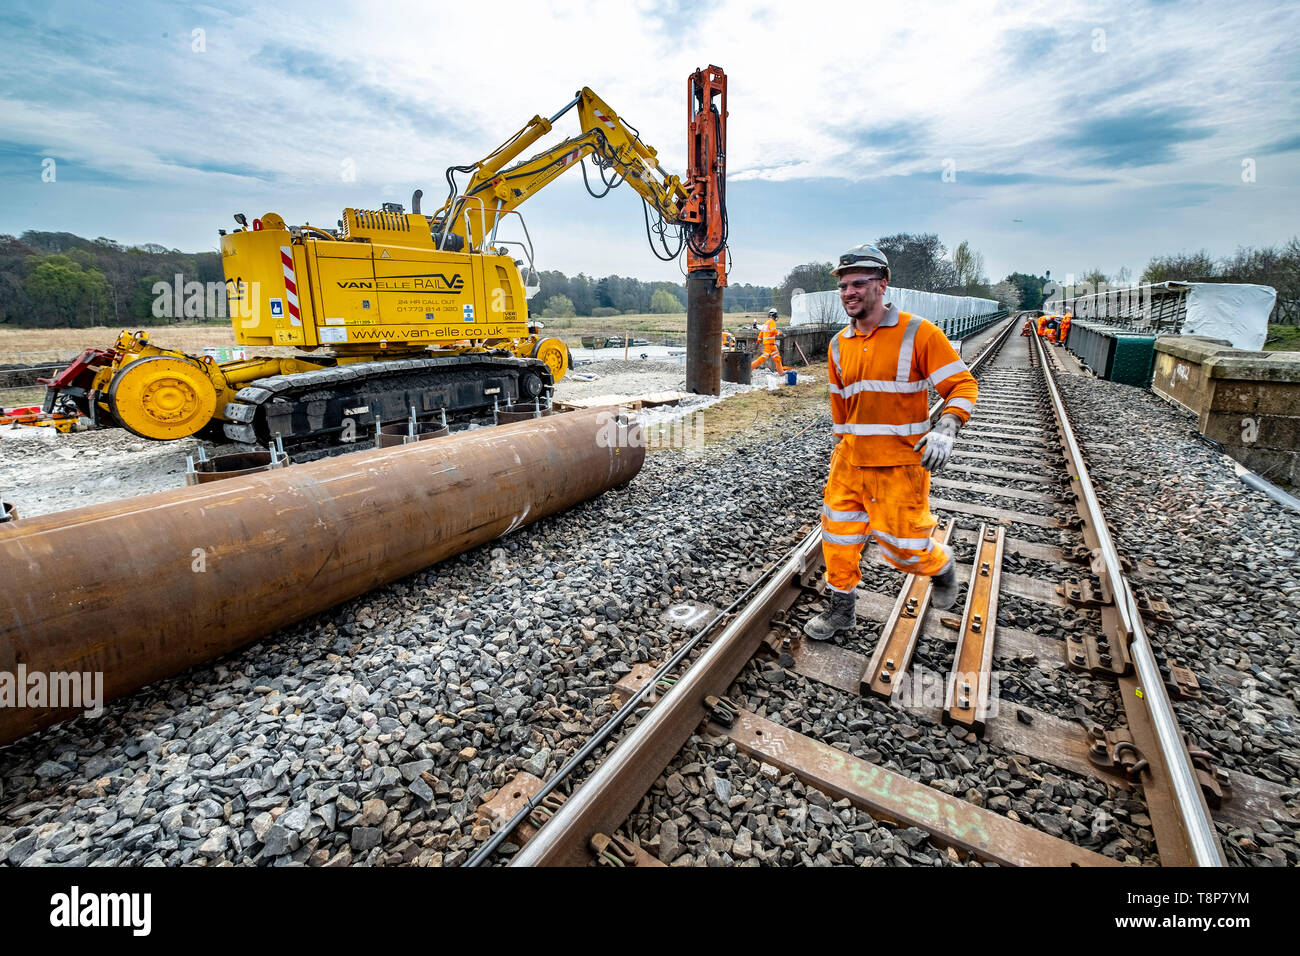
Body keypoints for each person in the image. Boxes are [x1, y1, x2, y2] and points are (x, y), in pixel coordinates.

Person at [804, 243, 979, 640]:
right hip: (850, 464)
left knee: (903, 549)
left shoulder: (919, 333)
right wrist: (841, 451)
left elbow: (963, 384)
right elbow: (841, 407)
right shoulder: (838, 345)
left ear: (883, 285)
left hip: (899, 466)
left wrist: (947, 427)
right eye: (844, 286)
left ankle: (942, 566)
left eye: (859, 284)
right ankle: (840, 613)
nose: (849, 292)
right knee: (837, 540)